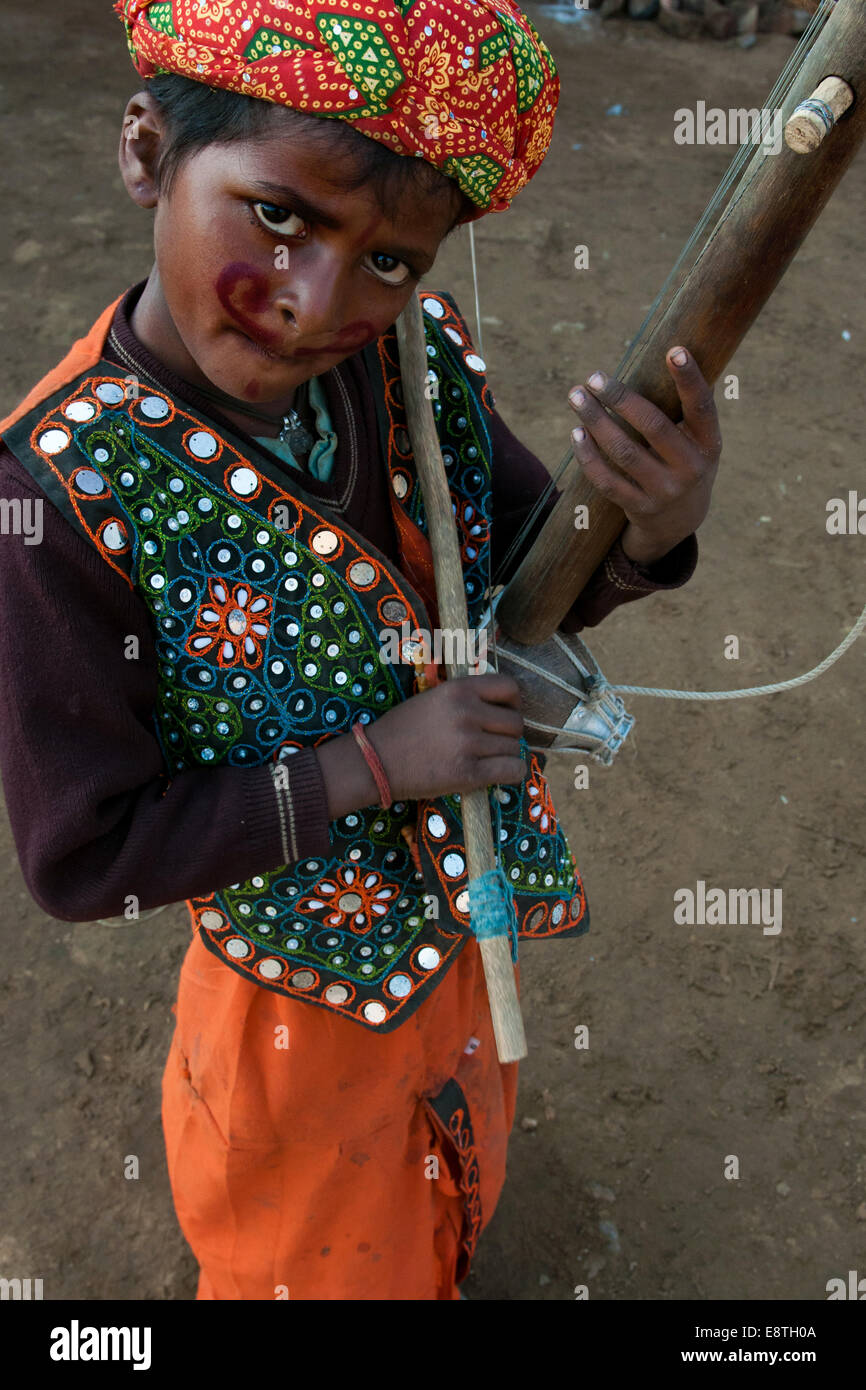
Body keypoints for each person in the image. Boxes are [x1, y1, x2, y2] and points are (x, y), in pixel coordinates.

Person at [0, 0, 721, 1300]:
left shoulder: (406, 359)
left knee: (447, 1141)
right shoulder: (58, 498)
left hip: (456, 908)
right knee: (311, 1243)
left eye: (390, 258)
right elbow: (85, 855)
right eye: (278, 215)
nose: (315, 302)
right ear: (148, 150)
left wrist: (643, 534)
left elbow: (514, 579)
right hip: (293, 993)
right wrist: (373, 762)